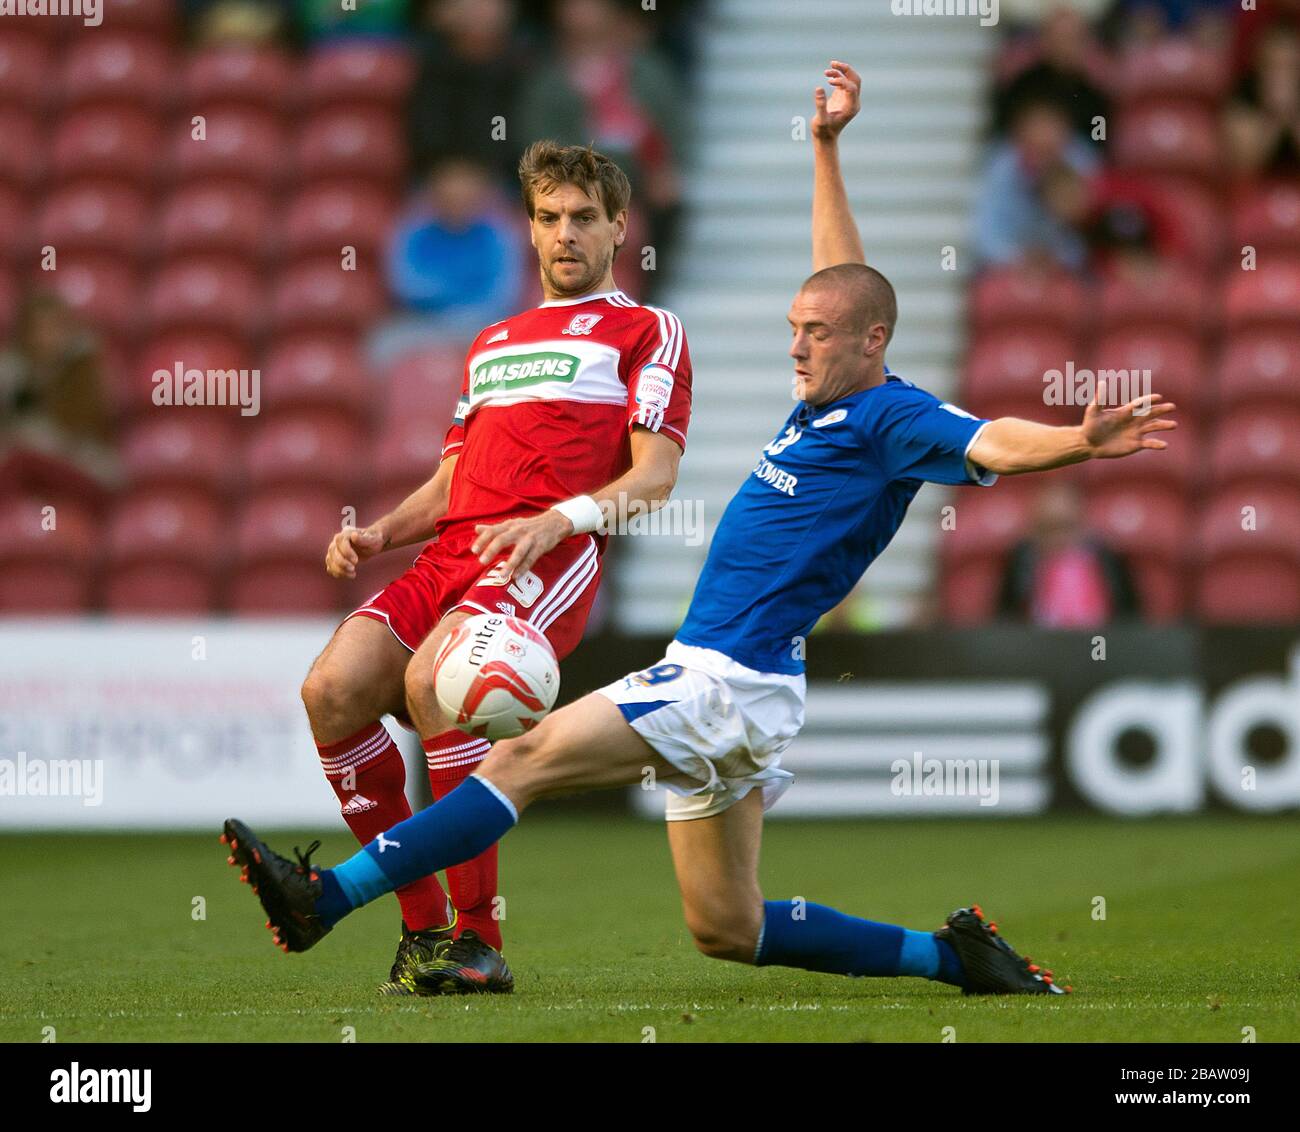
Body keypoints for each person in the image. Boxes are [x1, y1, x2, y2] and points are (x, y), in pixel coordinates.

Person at [227, 62, 1177, 996]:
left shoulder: (893, 419)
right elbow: (841, 277)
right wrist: (825, 150)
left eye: (815, 332)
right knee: (730, 927)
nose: (794, 344)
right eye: (794, 326)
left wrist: (1076, 443)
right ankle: (951, 956)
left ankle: (332, 896)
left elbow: (994, 442)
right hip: (744, 686)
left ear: (871, 342)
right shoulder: (825, 404)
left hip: (723, 678)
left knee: (518, 759)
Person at [295, 140, 692, 995]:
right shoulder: (492, 341)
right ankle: (424, 930)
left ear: (620, 226)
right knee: (331, 691)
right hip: (450, 550)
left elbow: (654, 479)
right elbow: (450, 480)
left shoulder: (648, 329)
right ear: (529, 228)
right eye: (549, 217)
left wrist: (560, 519)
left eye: (585, 217)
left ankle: (479, 939)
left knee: (436, 682)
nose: (565, 234)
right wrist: (378, 532)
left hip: (550, 553)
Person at [997, 480, 1141, 626]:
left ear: (1084, 524)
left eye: (1066, 527)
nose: (1058, 539)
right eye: (1048, 529)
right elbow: (1006, 620)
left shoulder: (1108, 559)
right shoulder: (1021, 562)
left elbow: (1130, 618)